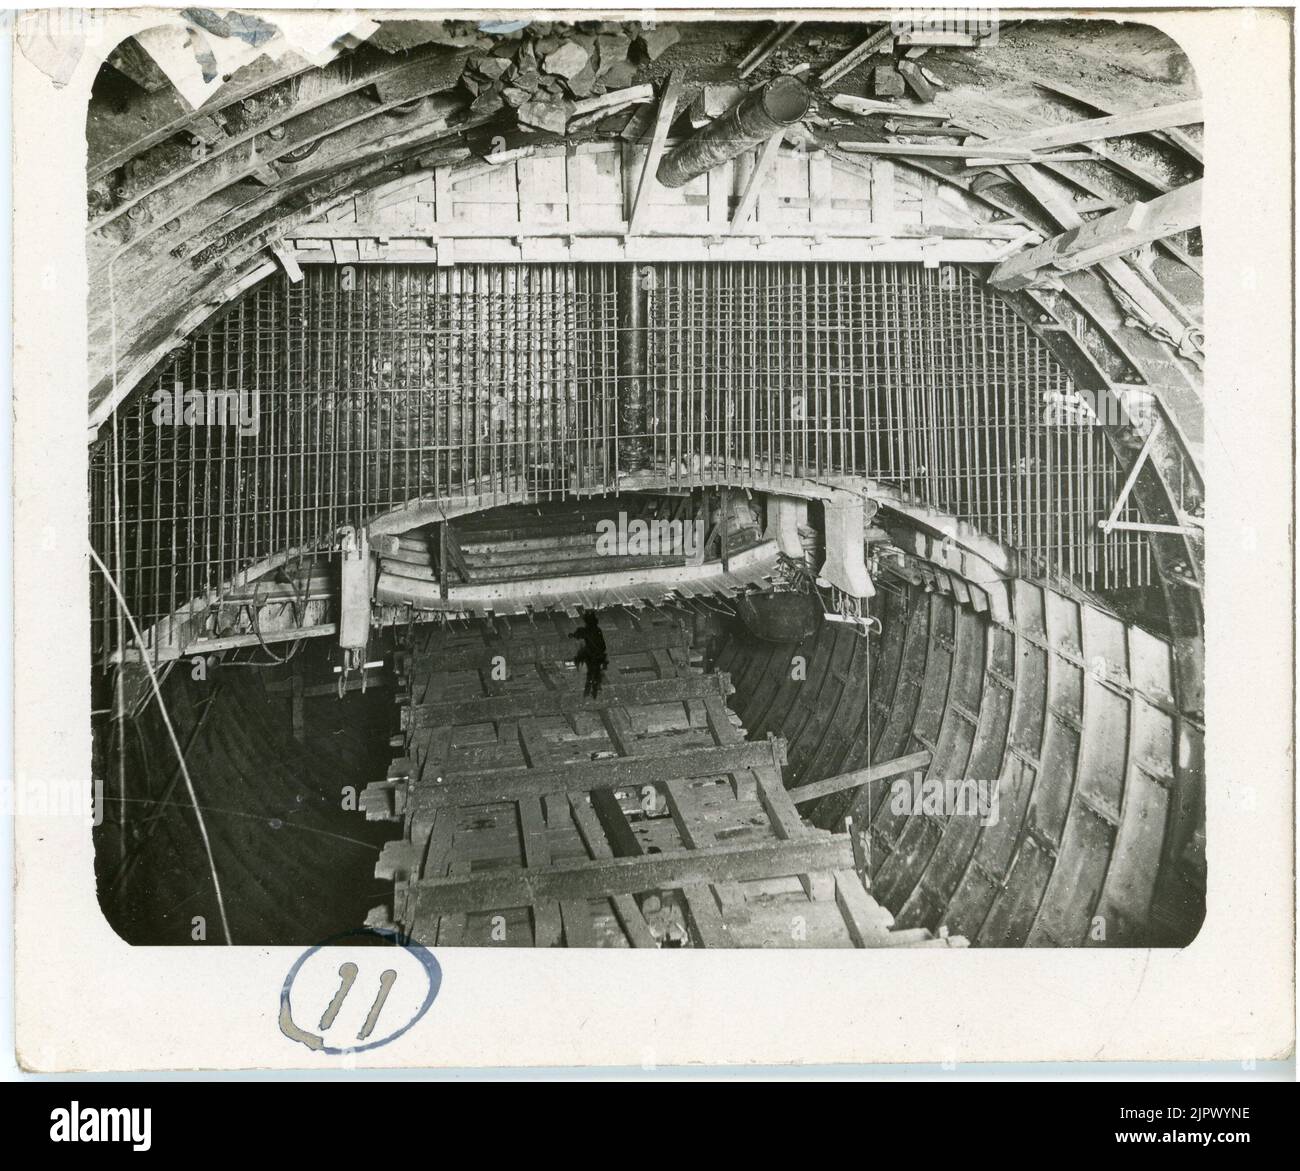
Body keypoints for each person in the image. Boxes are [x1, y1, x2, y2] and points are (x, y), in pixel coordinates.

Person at [569, 611, 608, 698]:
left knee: (591, 674)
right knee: (594, 673)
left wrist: (572, 635)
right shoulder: (597, 630)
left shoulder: (586, 630)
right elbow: (602, 645)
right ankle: (593, 691)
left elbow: (578, 635)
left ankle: (589, 692)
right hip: (598, 656)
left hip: (592, 656)